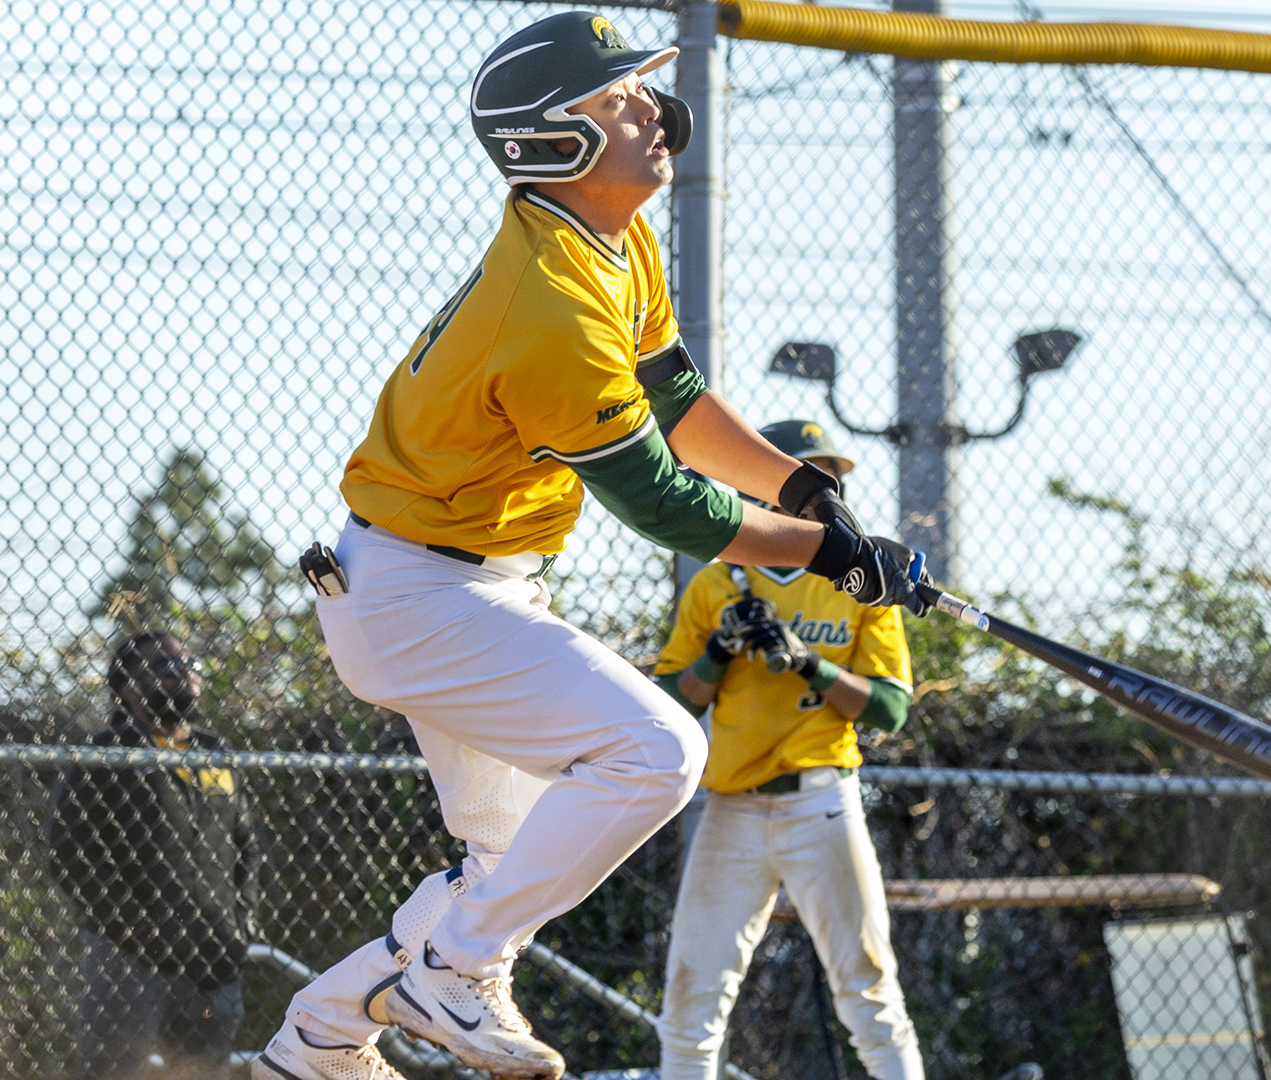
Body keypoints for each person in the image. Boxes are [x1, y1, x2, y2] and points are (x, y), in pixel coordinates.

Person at [253, 14, 932, 1080]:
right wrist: (822, 554)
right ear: (549, 143)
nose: (653, 113)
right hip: (422, 599)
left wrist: (805, 493)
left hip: (453, 586)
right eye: (617, 103)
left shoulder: (608, 242)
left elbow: (680, 404)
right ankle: (455, 970)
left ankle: (322, 1039)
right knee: (657, 753)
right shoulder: (555, 308)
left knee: (497, 860)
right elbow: (659, 499)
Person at [652, 421, 924, 1080]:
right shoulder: (718, 585)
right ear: (763, 486)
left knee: (867, 990)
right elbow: (671, 704)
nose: (821, 494)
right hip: (732, 810)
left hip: (821, 802)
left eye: (827, 480)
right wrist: (719, 653)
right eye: (807, 477)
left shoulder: (858, 584)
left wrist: (810, 666)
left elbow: (889, 708)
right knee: (691, 998)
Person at [48, 631, 265, 1080]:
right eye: (167, 667)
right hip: (130, 957)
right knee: (111, 1071)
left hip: (212, 952)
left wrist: (241, 923)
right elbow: (69, 853)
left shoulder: (214, 752)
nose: (185, 674)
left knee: (205, 1072)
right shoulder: (106, 754)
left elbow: (249, 846)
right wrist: (131, 928)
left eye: (191, 664)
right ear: (129, 687)